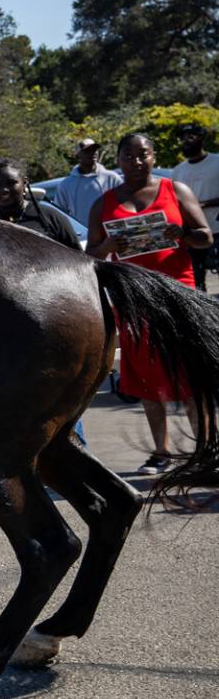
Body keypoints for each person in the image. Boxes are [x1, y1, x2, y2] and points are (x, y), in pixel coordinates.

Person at [87, 132, 214, 475]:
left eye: (143, 154)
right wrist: (107, 246)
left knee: (190, 376)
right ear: (118, 160)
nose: (136, 161)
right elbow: (91, 255)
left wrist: (182, 234)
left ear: (154, 156)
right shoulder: (103, 203)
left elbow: (205, 237)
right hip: (134, 300)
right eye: (128, 155)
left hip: (178, 296)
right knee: (148, 379)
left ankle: (205, 450)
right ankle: (162, 452)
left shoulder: (176, 190)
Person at [166, 124, 219, 291]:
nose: (186, 141)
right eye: (183, 138)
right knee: (196, 282)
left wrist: (202, 204)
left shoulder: (216, 162)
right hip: (191, 234)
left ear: (202, 139)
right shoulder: (178, 170)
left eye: (191, 137)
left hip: (217, 229)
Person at [0, 159, 80, 249]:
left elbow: (78, 257)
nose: (4, 189)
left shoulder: (50, 217)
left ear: (25, 183)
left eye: (11, 183)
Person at [46, 138, 123, 227]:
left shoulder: (112, 178)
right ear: (78, 155)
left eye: (95, 150)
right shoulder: (65, 185)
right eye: (88, 150)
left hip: (108, 232)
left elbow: (126, 205)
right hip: (81, 234)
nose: (93, 153)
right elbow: (59, 215)